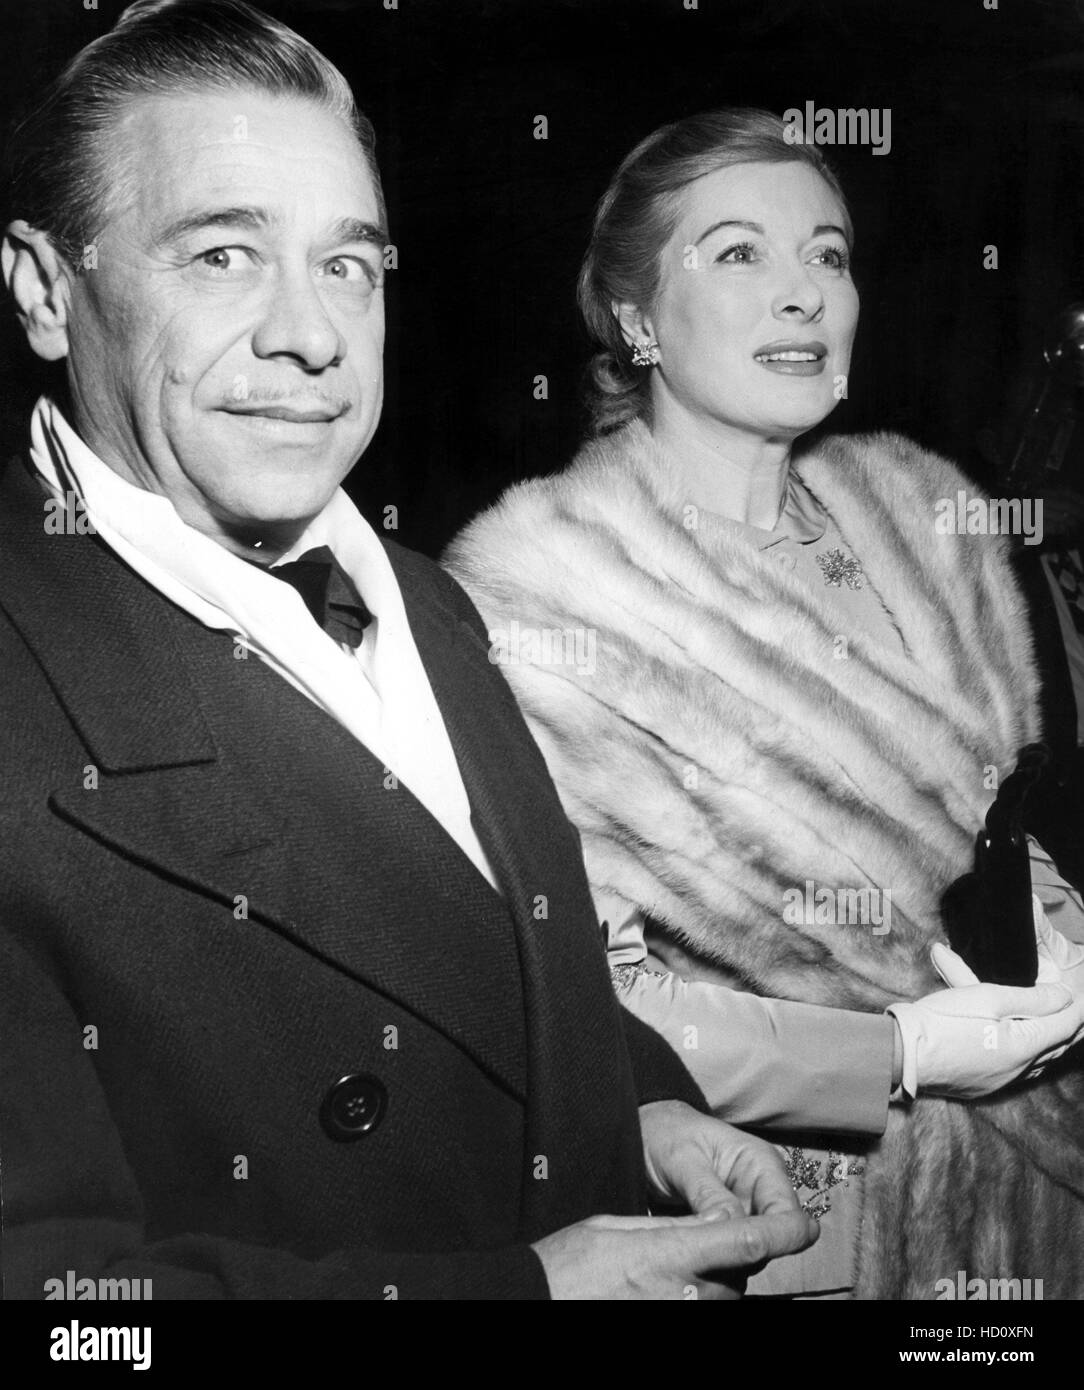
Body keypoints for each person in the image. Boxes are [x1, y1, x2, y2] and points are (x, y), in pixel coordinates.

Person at [0, 4, 823, 1302]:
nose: (312, 336)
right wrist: (525, 1292)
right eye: (222, 255)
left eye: (349, 265)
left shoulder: (433, 602)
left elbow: (501, 982)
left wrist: (645, 1116)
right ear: (47, 289)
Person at [445, 108, 1084, 1299]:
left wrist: (1054, 921)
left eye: (827, 256)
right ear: (635, 317)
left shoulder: (920, 512)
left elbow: (999, 813)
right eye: (738, 253)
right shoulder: (547, 595)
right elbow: (587, 1009)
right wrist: (894, 1053)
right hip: (807, 1218)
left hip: (1047, 1204)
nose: (802, 294)